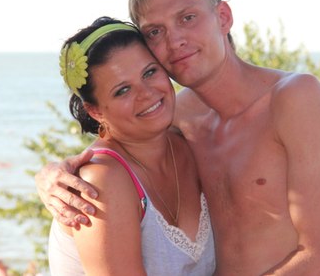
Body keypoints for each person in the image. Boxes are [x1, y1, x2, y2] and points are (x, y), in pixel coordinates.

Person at [36, 0, 320, 275]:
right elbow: (115, 152)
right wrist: (52, 176)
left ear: (223, 17)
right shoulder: (178, 118)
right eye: (155, 32)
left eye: (187, 18)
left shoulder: (295, 99)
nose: (175, 40)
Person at [47, 17, 215, 275]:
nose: (146, 93)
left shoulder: (191, 145)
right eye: (123, 90)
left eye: (149, 72)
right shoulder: (101, 180)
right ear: (95, 111)